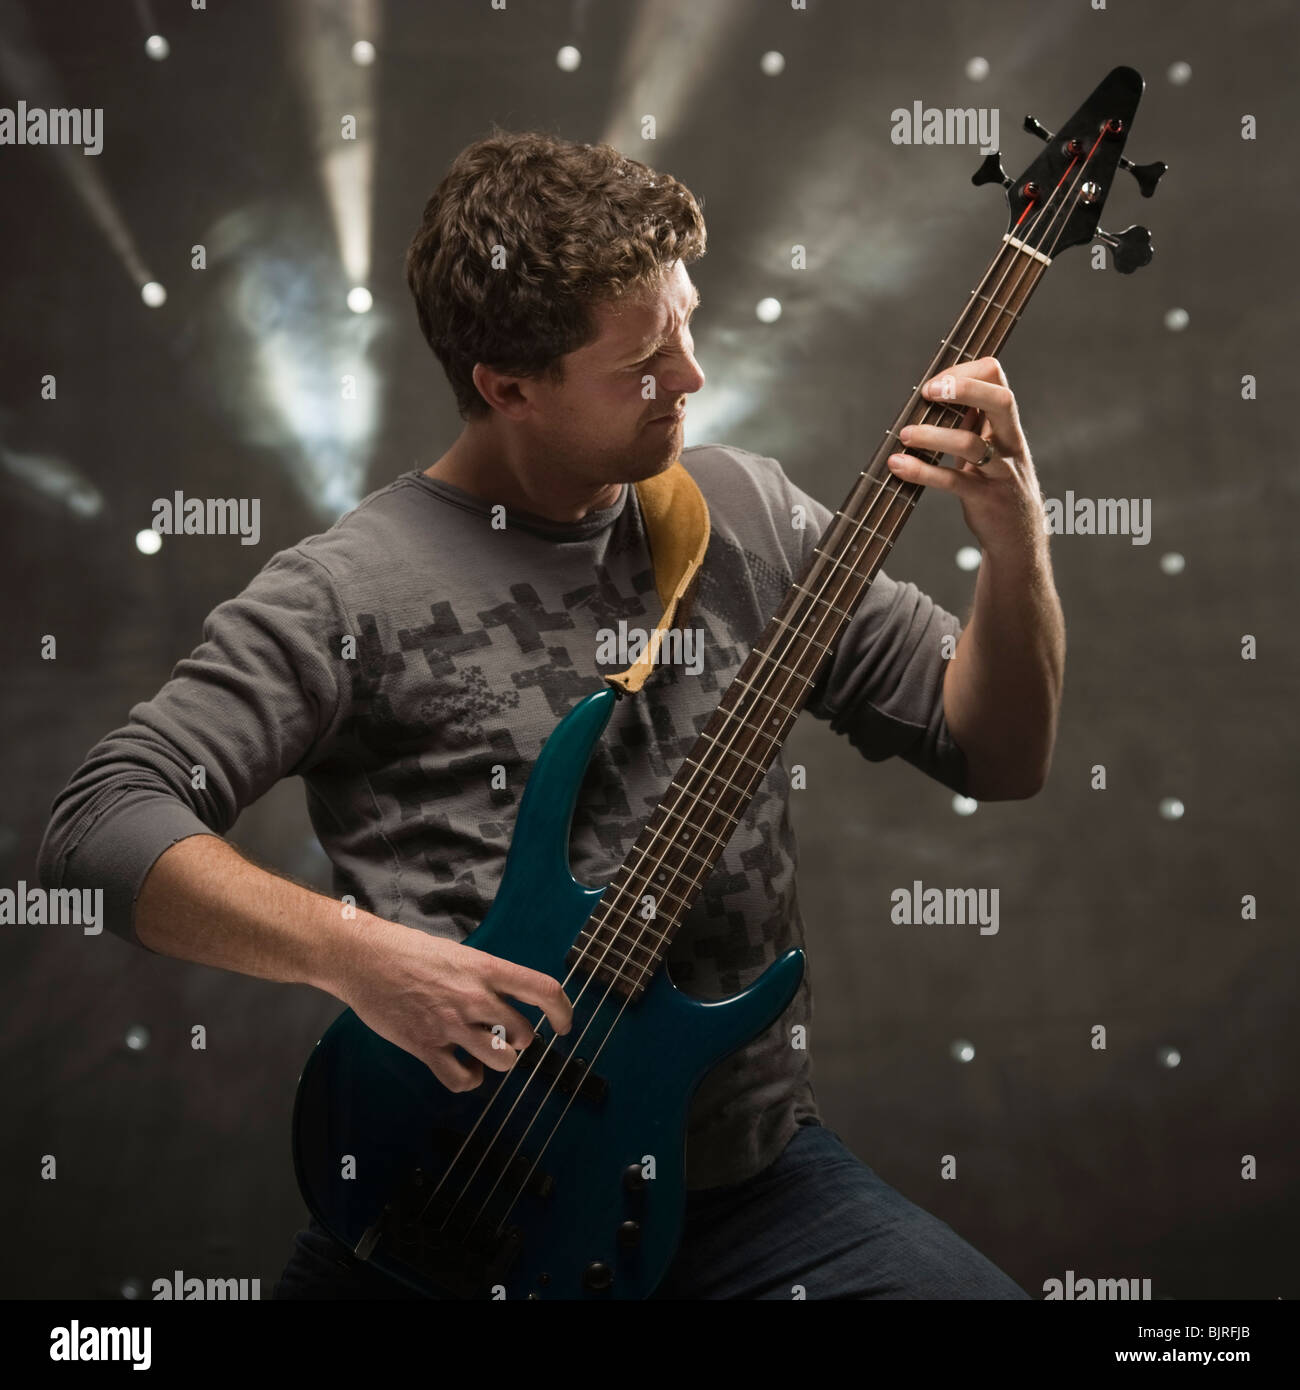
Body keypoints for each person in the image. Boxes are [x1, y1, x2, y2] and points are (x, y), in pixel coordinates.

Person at [37, 129, 1063, 1300]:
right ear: (506, 387)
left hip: (745, 1190)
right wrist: (362, 958)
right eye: (641, 362)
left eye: (685, 323)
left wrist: (1013, 542)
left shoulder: (751, 515)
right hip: (467, 1200)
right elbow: (96, 827)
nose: (688, 377)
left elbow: (996, 749)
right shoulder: (347, 590)